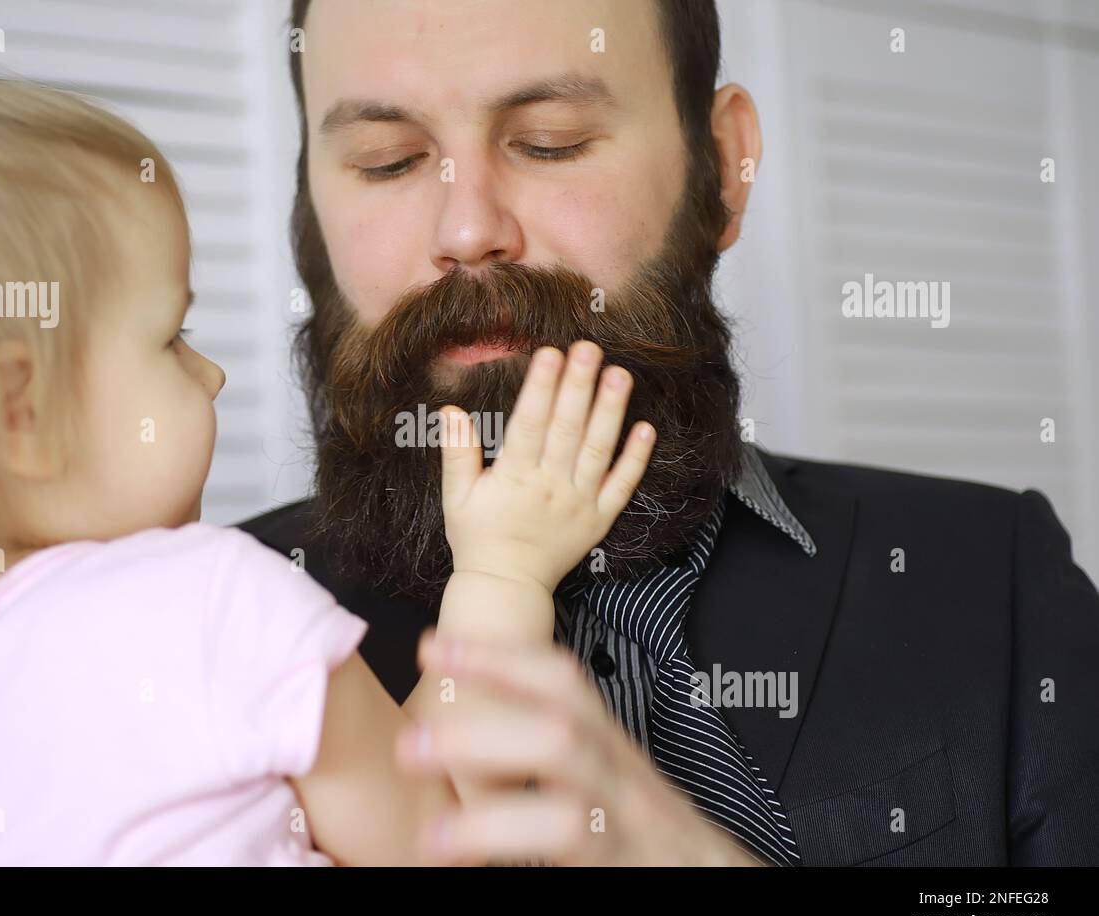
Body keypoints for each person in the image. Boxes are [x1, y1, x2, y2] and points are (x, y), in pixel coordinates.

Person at [241, 0, 1099, 865]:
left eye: (551, 141)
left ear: (723, 166)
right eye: (387, 163)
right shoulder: (206, 630)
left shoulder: (992, 576)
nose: (466, 231)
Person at [0, 64, 659, 865]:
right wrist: (503, 574)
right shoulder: (207, 600)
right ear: (19, 412)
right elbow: (443, 844)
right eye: (170, 337)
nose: (210, 374)